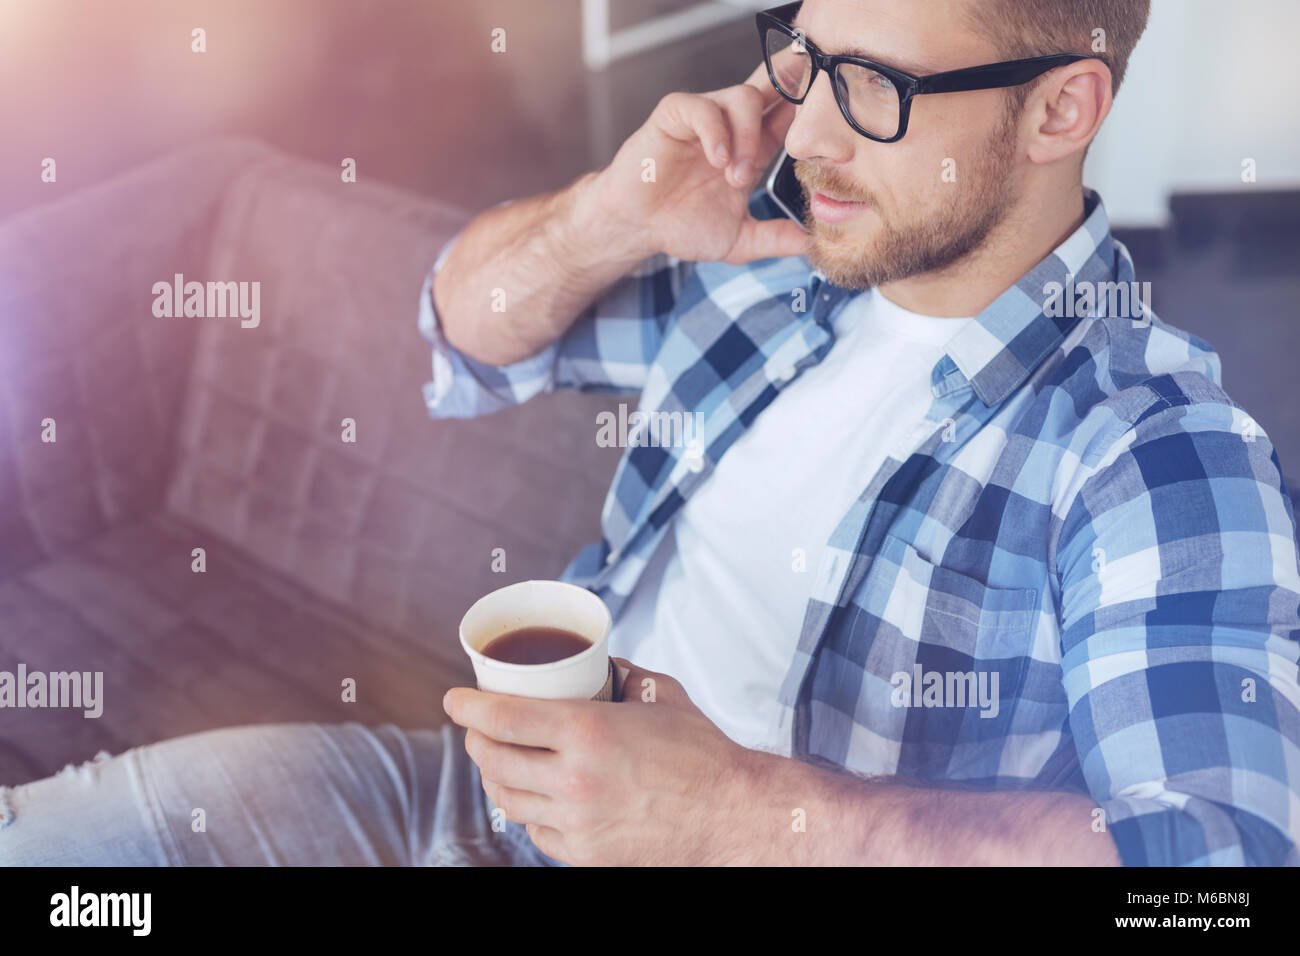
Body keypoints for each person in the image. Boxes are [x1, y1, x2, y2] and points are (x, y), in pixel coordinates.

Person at [3, 0, 1297, 867]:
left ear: (1062, 110)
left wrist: (744, 815)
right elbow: (459, 328)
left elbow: (1221, 870)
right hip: (485, 806)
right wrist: (613, 214)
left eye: (882, 89)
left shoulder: (1158, 452)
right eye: (805, 53)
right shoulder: (773, 258)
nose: (817, 133)